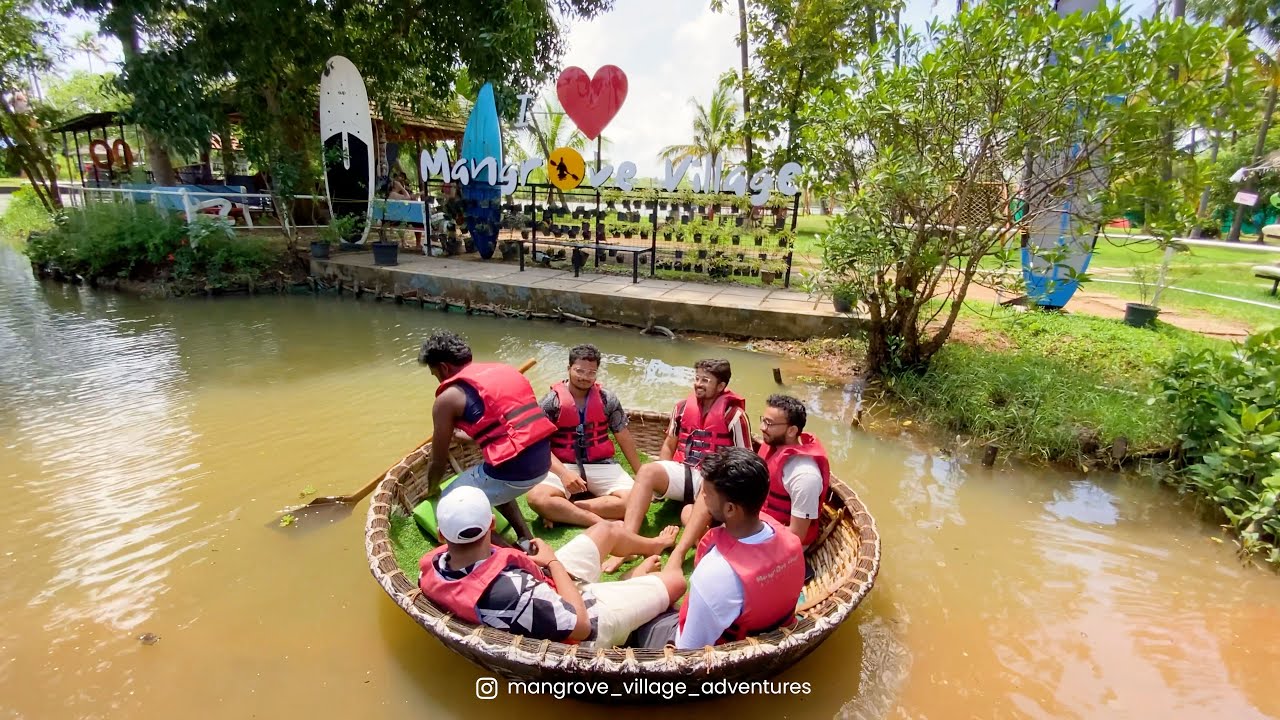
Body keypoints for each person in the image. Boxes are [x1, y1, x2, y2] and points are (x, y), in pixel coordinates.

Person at [419, 485, 685, 647]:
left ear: (441, 535)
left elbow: (494, 574)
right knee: (675, 583)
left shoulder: (435, 564)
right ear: (491, 524)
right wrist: (553, 562)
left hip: (546, 589)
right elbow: (580, 626)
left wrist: (542, 566)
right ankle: (639, 576)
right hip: (581, 627)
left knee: (606, 530)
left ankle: (653, 546)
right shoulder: (511, 591)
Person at [631, 448, 805, 650]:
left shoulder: (716, 572)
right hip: (764, 632)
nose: (701, 497)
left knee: (635, 604)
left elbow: (687, 652)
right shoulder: (788, 538)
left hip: (718, 650)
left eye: (706, 494)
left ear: (730, 509)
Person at [601, 359, 750, 572]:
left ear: (721, 386)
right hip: (684, 470)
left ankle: (680, 553)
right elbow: (669, 445)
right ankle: (628, 544)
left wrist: (726, 487)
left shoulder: (734, 416)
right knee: (647, 470)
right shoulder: (680, 408)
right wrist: (664, 479)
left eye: (705, 380)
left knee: (705, 489)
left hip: (714, 477)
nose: (698, 384)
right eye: (697, 378)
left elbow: (745, 457)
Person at [419, 330, 555, 545]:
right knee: (489, 477)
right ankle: (525, 539)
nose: (437, 379)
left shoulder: (447, 399)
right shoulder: (503, 370)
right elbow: (508, 428)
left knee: (453, 506)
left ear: (443, 368)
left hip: (515, 474)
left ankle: (516, 556)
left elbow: (438, 460)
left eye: (435, 374)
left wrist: (433, 490)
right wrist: (470, 437)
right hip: (543, 462)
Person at [665, 394, 829, 569]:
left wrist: (750, 536)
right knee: (695, 506)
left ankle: (721, 549)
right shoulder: (773, 446)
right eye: (763, 420)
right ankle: (679, 554)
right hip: (753, 521)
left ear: (791, 430)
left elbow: (796, 536)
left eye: (769, 424)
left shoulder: (804, 476)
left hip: (773, 539)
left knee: (695, 517)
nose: (762, 428)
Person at [527, 344, 642, 528]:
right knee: (537, 498)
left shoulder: (607, 399)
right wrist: (564, 474)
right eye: (579, 371)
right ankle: (598, 520)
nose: (585, 377)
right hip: (563, 466)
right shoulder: (551, 402)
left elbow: (623, 436)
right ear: (569, 369)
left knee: (636, 501)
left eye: (591, 373)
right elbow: (538, 445)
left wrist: (641, 476)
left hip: (601, 464)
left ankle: (564, 510)